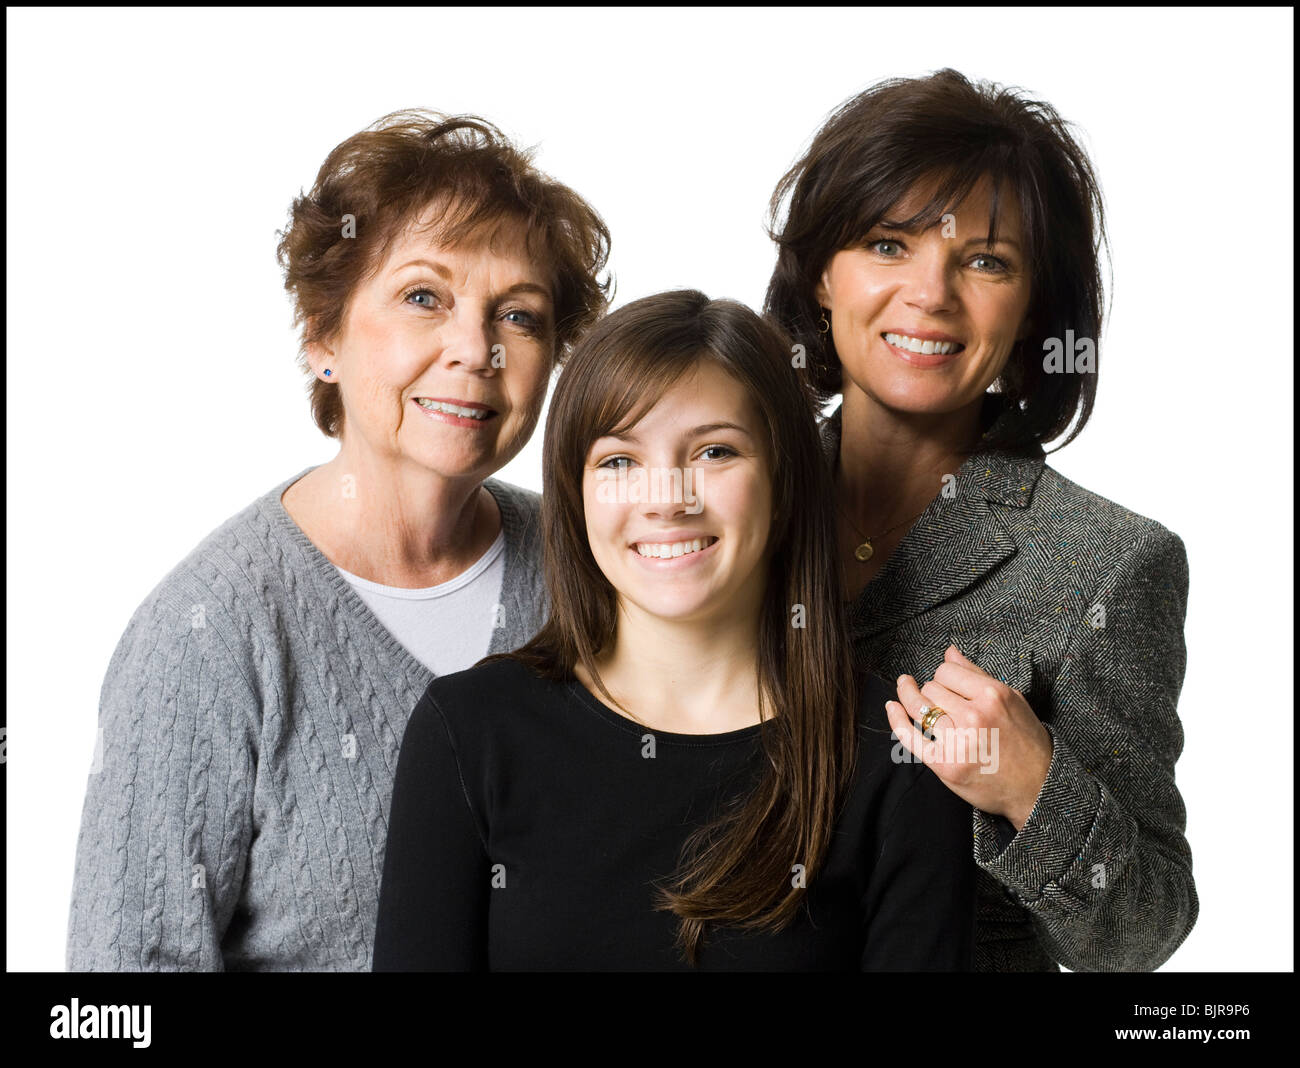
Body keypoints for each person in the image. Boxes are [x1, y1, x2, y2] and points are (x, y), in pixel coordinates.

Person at [65, 110, 611, 970]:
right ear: (324, 336)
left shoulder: (594, 567)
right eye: (423, 298)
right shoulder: (208, 634)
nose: (474, 349)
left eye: (519, 316)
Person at [372, 290, 978, 971]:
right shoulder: (469, 734)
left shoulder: (895, 756)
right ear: (575, 494)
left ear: (782, 482)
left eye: (715, 452)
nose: (667, 499)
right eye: (619, 461)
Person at [764, 69, 1196, 971]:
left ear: (1034, 309)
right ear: (820, 277)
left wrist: (1036, 787)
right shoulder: (727, 496)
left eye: (985, 260)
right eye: (887, 244)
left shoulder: (1108, 565)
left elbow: (1146, 929)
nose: (930, 293)